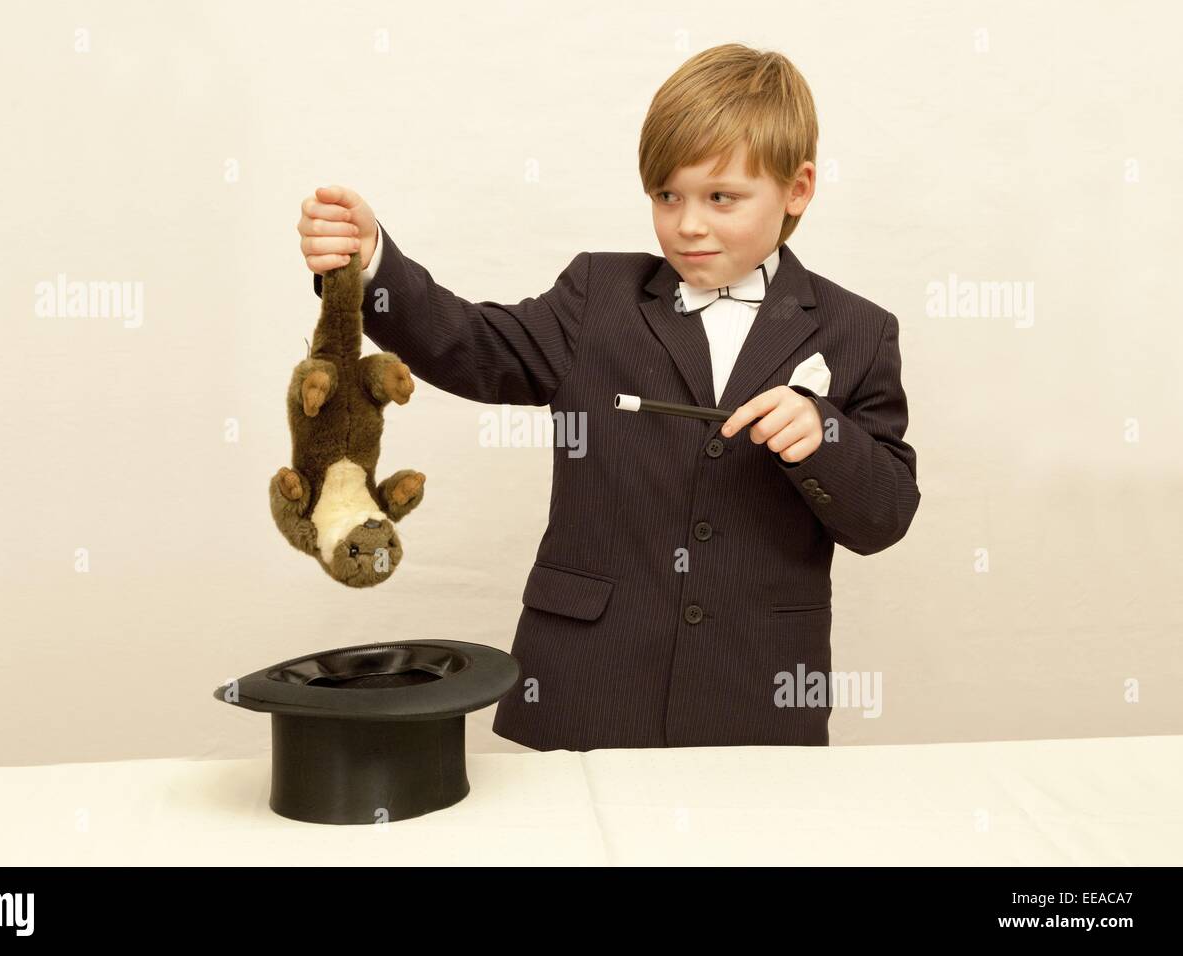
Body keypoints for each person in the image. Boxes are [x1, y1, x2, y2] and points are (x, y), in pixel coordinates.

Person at [297, 44, 920, 751]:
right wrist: (374, 260)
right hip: (586, 689)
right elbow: (469, 344)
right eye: (667, 196)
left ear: (798, 189)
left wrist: (824, 435)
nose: (688, 224)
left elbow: (886, 516)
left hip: (756, 697)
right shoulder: (598, 296)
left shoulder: (860, 331)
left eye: (722, 198)